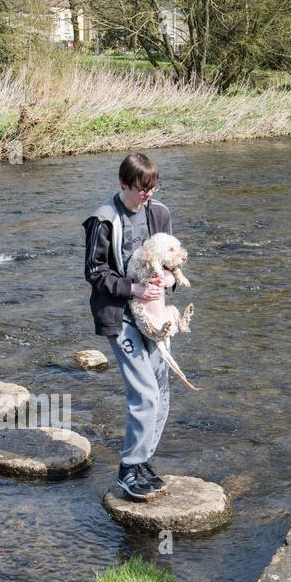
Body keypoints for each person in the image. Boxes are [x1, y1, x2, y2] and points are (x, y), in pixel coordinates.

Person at [83, 152, 175, 502]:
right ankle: (127, 469)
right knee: (146, 395)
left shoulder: (160, 213)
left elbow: (170, 258)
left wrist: (168, 281)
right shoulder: (103, 220)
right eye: (140, 188)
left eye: (152, 187)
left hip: (154, 317)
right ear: (123, 184)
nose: (147, 194)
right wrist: (132, 288)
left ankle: (142, 462)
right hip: (119, 318)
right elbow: (94, 272)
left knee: (162, 396)